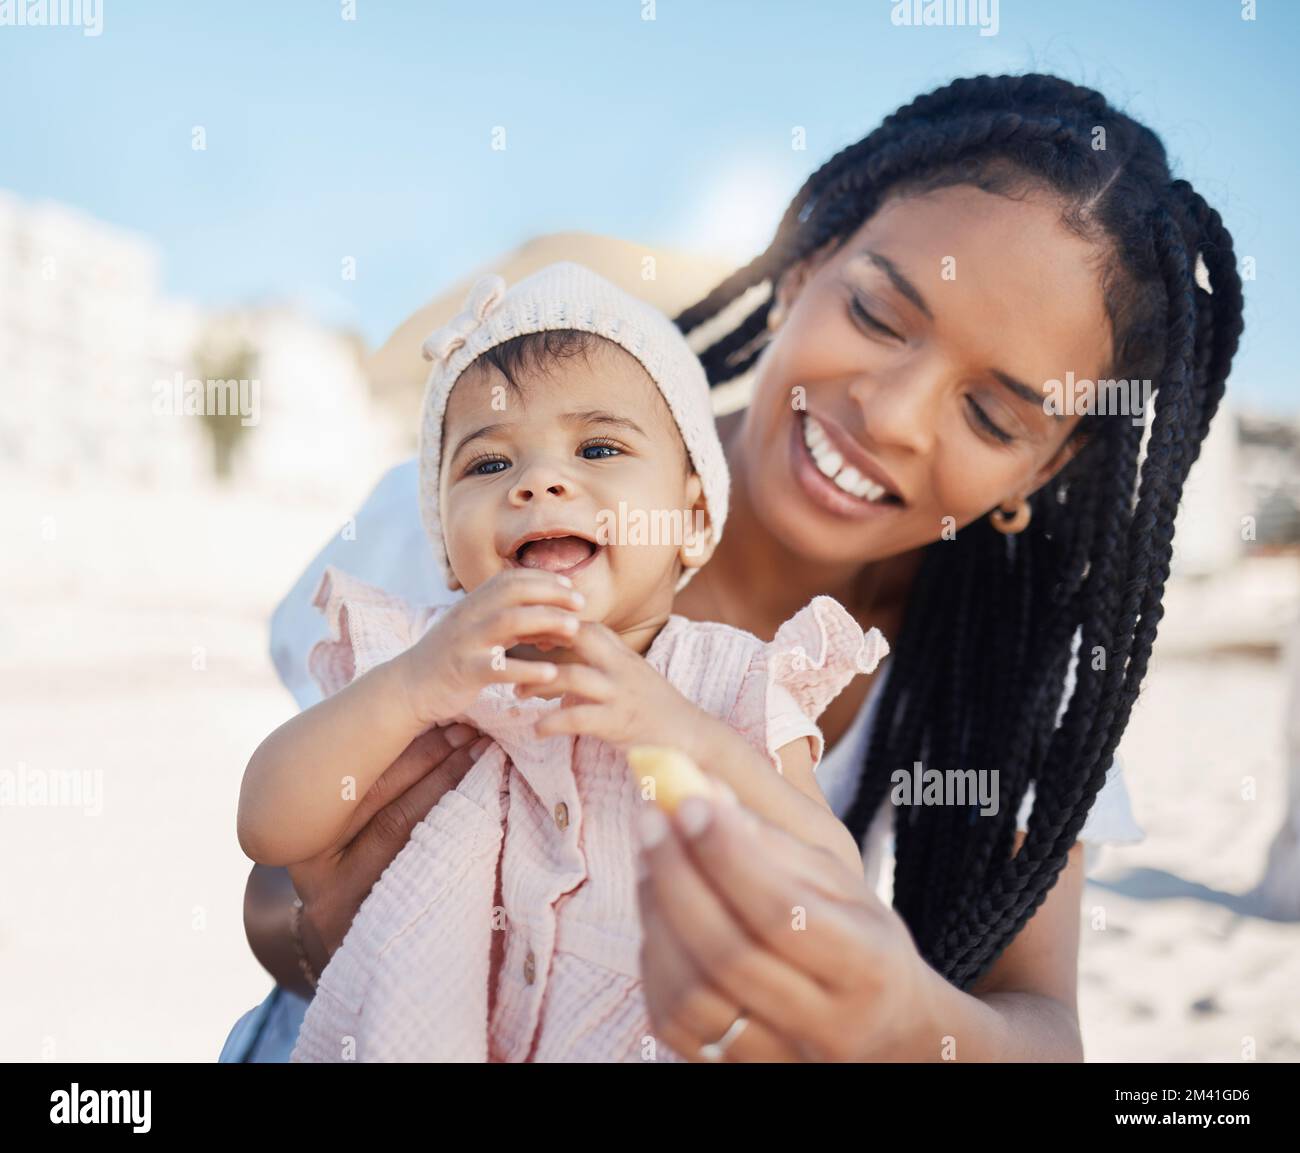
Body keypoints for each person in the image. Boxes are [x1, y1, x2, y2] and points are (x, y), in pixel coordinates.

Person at [220, 72, 1243, 1062]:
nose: (888, 415)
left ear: (1047, 463)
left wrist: (898, 1025)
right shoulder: (473, 516)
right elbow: (279, 882)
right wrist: (321, 926)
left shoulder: (1013, 675)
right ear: (803, 264)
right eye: (878, 317)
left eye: (989, 414)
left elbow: (1039, 1031)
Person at [238, 262, 885, 1061]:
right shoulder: (422, 658)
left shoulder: (731, 684)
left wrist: (682, 732)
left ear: (693, 517)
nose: (540, 481)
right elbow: (267, 823)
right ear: (443, 538)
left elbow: (833, 879)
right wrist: (409, 689)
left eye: (599, 446)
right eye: (487, 463)